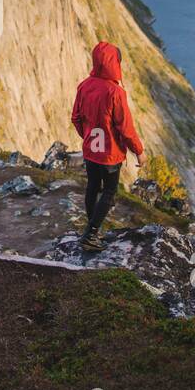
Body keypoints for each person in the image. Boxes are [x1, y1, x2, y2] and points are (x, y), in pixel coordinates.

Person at [70, 41, 144, 251]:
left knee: (93, 187)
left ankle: (92, 230)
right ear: (115, 63)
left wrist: (87, 137)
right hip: (110, 154)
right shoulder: (115, 92)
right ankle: (91, 235)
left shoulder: (84, 86)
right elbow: (125, 128)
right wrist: (139, 151)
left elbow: (76, 117)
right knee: (110, 191)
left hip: (90, 151)